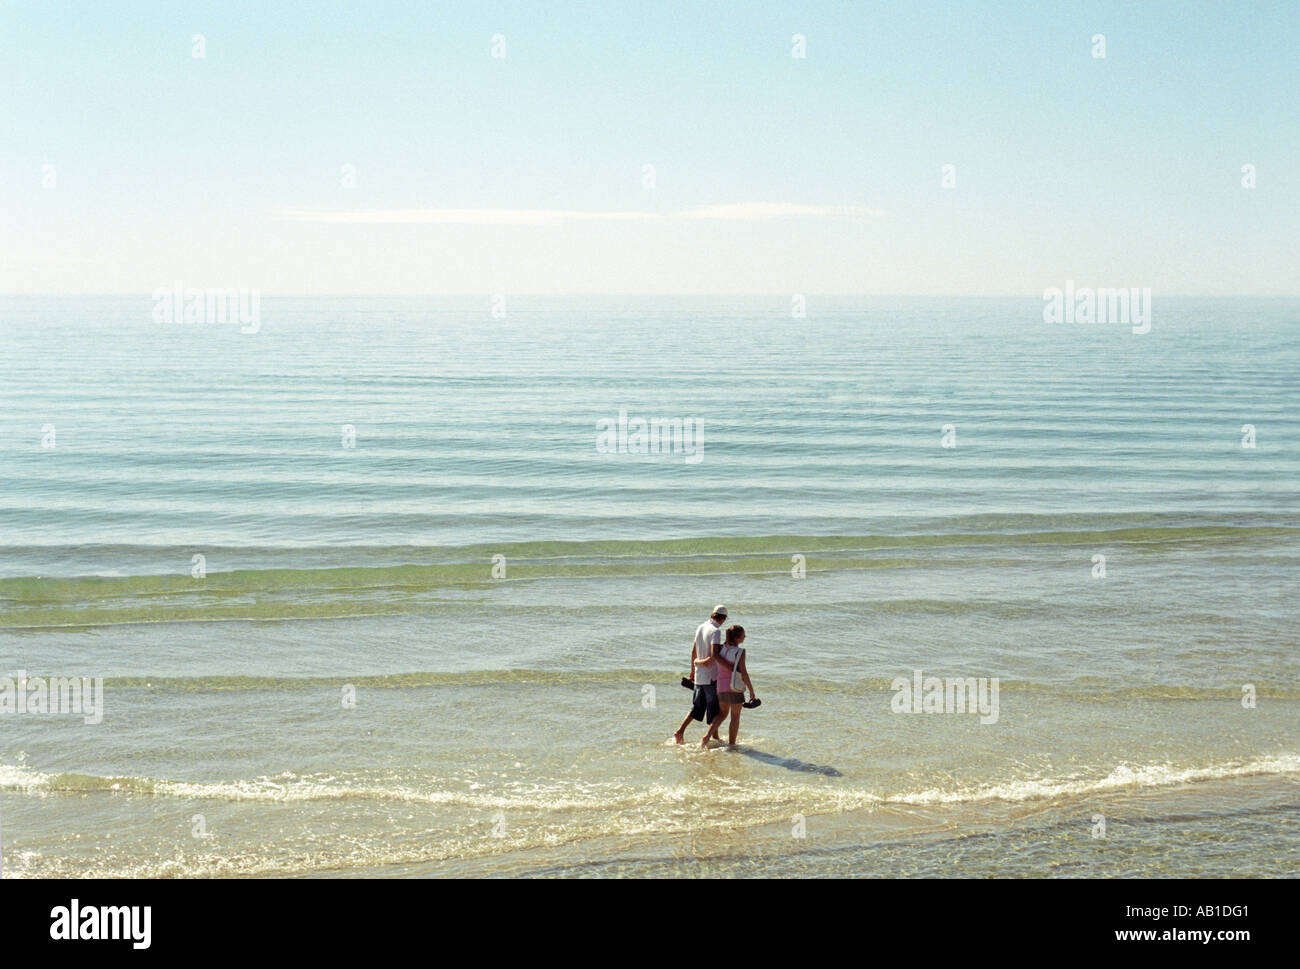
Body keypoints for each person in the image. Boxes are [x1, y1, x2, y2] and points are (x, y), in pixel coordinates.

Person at [671, 605, 728, 744]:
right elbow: (713, 656)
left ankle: (680, 731)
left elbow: (693, 652)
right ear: (723, 618)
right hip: (711, 676)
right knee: (714, 709)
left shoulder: (700, 627)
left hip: (698, 676)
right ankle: (712, 737)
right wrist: (702, 663)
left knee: (697, 707)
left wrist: (693, 669)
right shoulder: (716, 631)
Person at [703, 624, 756, 747]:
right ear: (737, 638)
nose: (745, 637)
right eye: (743, 635)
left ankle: (706, 736)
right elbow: (743, 672)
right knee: (735, 717)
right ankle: (732, 745)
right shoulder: (740, 652)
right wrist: (751, 690)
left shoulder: (721, 649)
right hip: (735, 687)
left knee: (722, 714)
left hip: (721, 686)